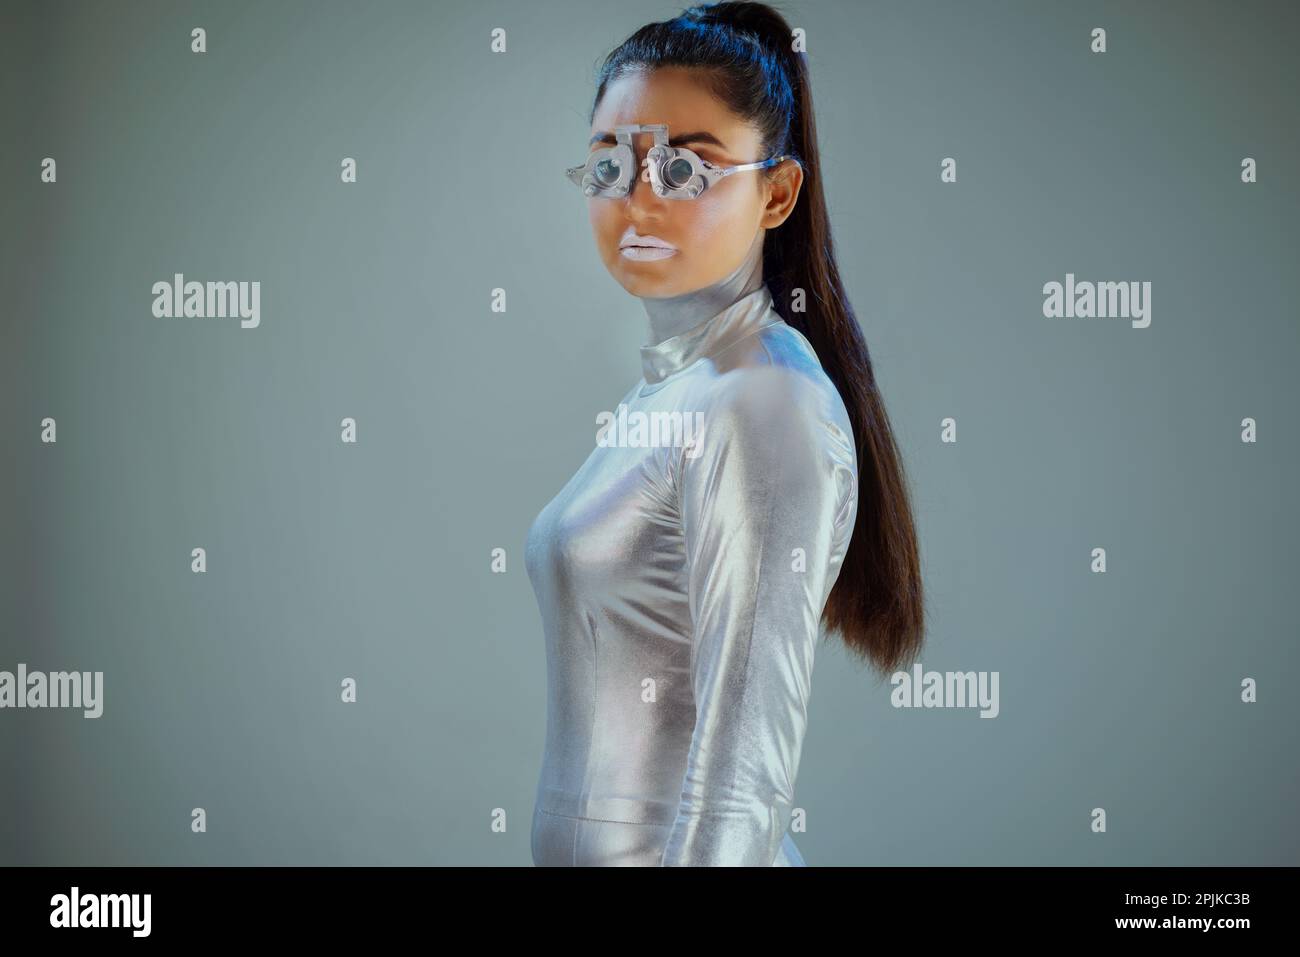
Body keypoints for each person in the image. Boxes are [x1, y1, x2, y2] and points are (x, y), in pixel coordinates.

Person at [525, 0, 925, 866]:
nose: (638, 198)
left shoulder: (762, 401)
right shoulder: (677, 388)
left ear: (776, 192)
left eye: (685, 169)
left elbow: (744, 783)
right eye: (609, 164)